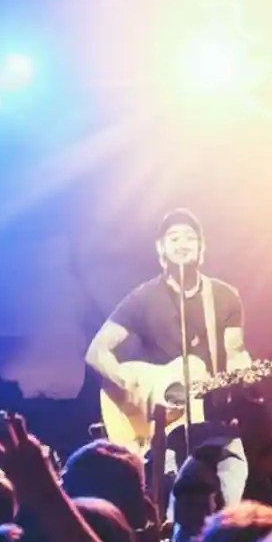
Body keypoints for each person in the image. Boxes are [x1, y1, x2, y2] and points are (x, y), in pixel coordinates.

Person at [85, 209, 252, 507]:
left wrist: (245, 374)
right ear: (160, 248)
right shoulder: (142, 298)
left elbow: (236, 353)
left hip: (214, 416)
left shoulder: (224, 297)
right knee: (178, 507)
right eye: (174, 238)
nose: (183, 243)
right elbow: (97, 352)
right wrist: (133, 384)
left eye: (190, 237)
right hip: (165, 423)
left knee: (233, 481)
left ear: (202, 248)